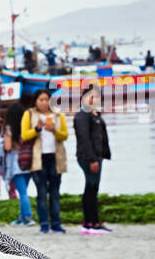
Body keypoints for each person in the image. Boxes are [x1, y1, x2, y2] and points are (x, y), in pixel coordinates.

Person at [21, 88, 69, 233]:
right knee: (41, 192)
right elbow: (24, 135)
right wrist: (37, 129)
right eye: (41, 100)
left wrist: (54, 130)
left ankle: (56, 223)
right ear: (36, 101)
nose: (44, 102)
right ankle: (43, 224)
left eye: (46, 99)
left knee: (55, 192)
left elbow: (65, 136)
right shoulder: (29, 114)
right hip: (37, 159)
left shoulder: (58, 115)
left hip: (55, 158)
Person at [74, 81, 112, 234]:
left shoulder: (94, 114)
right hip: (88, 157)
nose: (93, 99)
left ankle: (92, 220)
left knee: (93, 188)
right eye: (90, 96)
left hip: (98, 156)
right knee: (90, 187)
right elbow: (84, 139)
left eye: (96, 97)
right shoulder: (82, 115)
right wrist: (92, 160)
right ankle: (90, 222)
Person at [0, 102, 34, 225]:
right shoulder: (27, 125)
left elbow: (7, 147)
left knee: (22, 192)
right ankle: (21, 217)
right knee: (23, 191)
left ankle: (28, 217)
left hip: (16, 164)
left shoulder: (9, 127)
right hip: (29, 161)